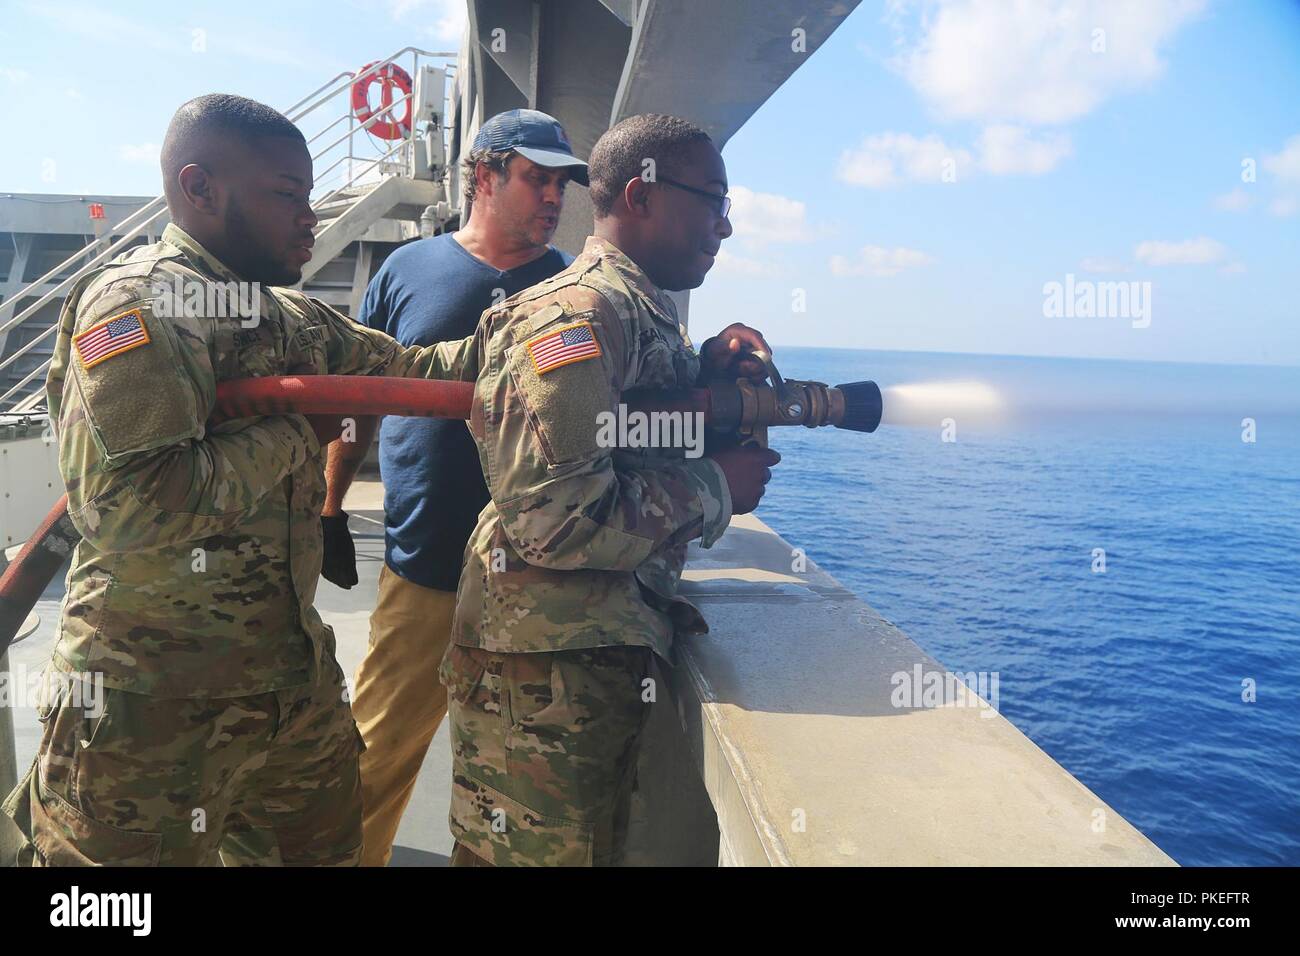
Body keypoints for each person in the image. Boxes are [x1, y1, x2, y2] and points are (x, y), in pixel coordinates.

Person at [0, 93, 472, 866]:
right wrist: (299, 431)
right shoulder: (139, 307)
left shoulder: (289, 319)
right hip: (146, 713)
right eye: (287, 195)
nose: (309, 217)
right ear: (200, 188)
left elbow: (417, 367)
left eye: (309, 197)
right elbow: (127, 505)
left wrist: (553, 328)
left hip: (288, 695)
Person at [439, 112, 781, 866]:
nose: (724, 227)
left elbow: (624, 437)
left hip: (587, 659)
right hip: (543, 671)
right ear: (643, 195)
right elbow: (552, 519)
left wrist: (709, 377)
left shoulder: (636, 312)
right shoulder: (578, 315)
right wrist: (713, 488)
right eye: (713, 201)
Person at [320, 109, 586, 867]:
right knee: (372, 757)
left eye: (561, 184)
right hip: (423, 571)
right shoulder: (406, 271)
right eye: (537, 178)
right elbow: (355, 405)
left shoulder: (570, 286)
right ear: (483, 176)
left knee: (516, 785)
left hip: (535, 590)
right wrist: (331, 511)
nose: (552, 197)